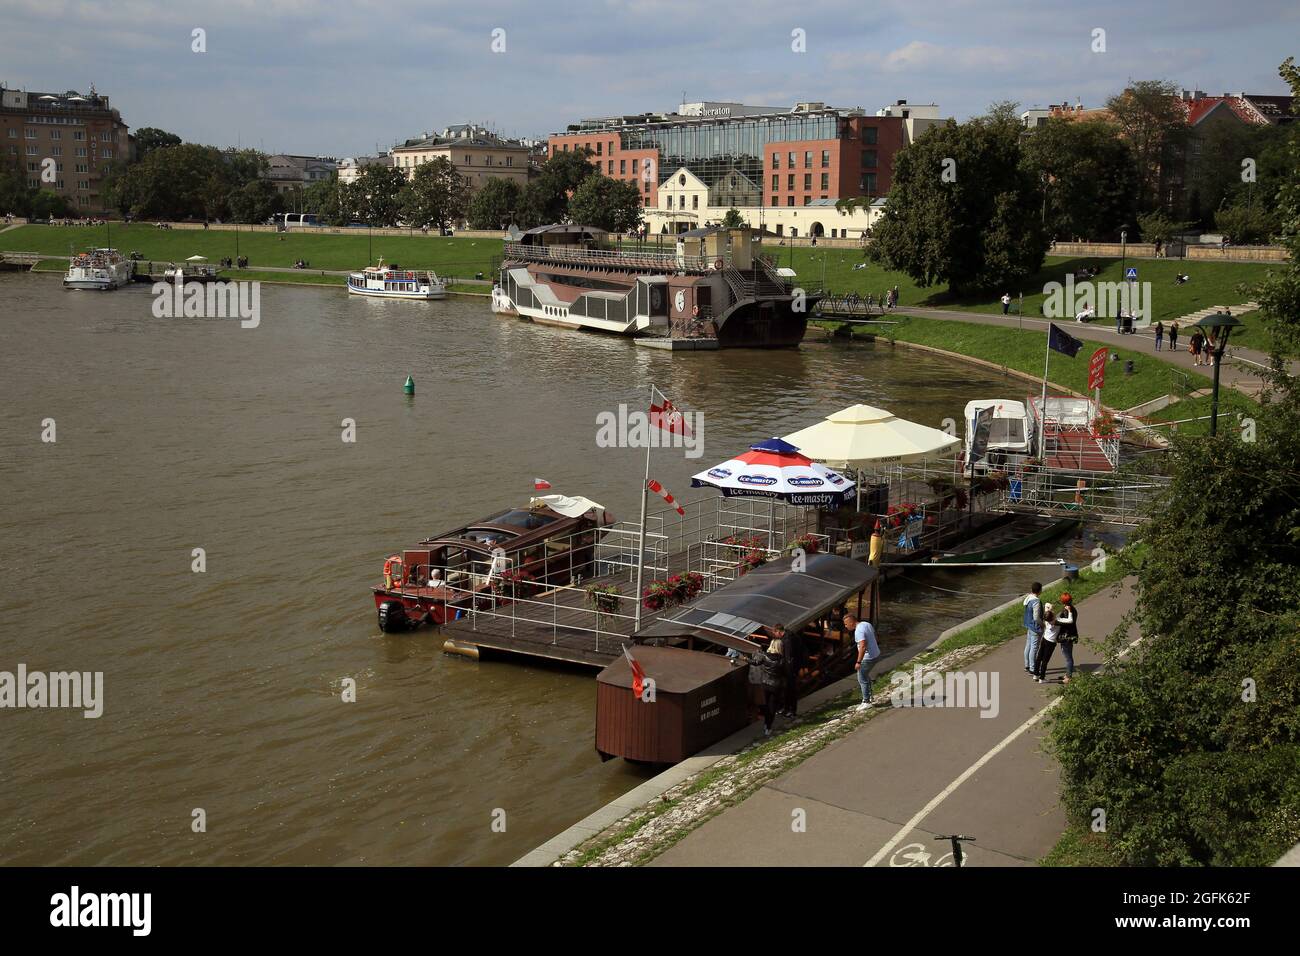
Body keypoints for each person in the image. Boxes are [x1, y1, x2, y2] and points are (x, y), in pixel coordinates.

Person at [844, 614, 880, 712]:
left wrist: (858, 662)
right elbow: (875, 636)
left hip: (867, 658)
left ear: (851, 622)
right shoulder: (866, 624)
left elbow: (863, 646)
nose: (845, 626)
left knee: (862, 678)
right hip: (876, 654)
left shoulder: (858, 631)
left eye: (846, 624)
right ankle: (870, 696)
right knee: (865, 675)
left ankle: (866, 701)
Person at [750, 637, 785, 736]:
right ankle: (768, 726)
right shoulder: (782, 660)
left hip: (765, 683)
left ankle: (766, 721)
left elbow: (755, 663)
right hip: (776, 685)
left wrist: (746, 659)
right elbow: (784, 673)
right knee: (773, 707)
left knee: (765, 705)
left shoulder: (765, 656)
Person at [776, 623, 804, 718]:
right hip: (791, 668)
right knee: (787, 690)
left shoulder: (787, 640)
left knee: (790, 690)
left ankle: (791, 710)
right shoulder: (791, 636)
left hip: (790, 669)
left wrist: (787, 668)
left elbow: (789, 656)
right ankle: (786, 708)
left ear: (778, 632)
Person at [1033, 604, 1059, 682]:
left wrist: (1049, 610)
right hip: (1051, 642)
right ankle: (1042, 678)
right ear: (1053, 617)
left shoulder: (1046, 620)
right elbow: (1068, 621)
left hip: (1044, 639)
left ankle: (1036, 674)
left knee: (1039, 657)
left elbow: (1048, 610)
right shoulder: (1056, 623)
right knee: (1045, 660)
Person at [1056, 593, 1078, 683]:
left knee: (1068, 657)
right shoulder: (1073, 609)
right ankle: (1067, 674)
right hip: (1071, 634)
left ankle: (1068, 677)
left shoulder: (1066, 611)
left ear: (1063, 601)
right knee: (1068, 656)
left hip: (1066, 636)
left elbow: (1063, 622)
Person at [1022, 582, 1043, 675]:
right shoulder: (1036, 602)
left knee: (1028, 646)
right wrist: (1043, 625)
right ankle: (1032, 668)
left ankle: (1027, 665)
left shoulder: (1028, 598)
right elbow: (1036, 618)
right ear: (1039, 591)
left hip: (1029, 626)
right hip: (1035, 628)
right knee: (1034, 648)